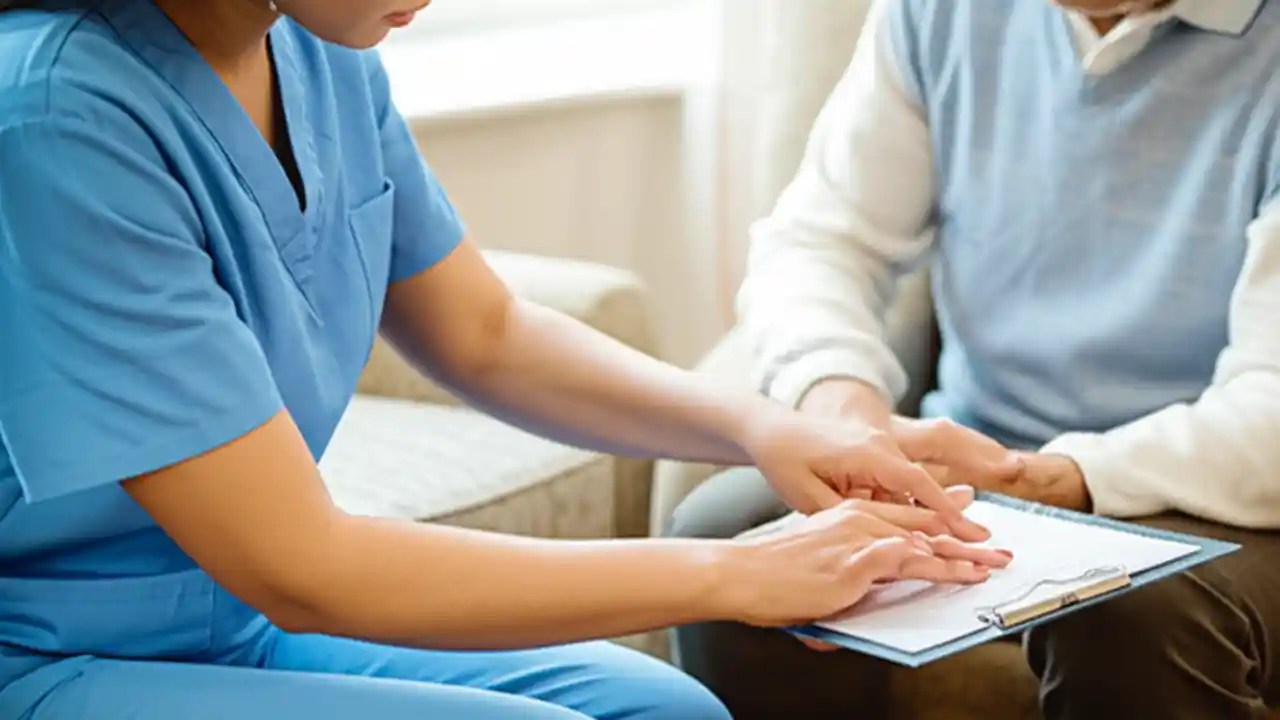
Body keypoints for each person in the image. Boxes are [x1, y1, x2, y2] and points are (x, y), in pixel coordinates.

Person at [0, 1, 1019, 718]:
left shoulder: (318, 47)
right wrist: (733, 573)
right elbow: (302, 568)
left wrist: (763, 427)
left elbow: (485, 333)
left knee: (666, 710)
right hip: (48, 653)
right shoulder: (56, 119)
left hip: (230, 623)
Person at [669, 0, 1280, 718]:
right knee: (731, 535)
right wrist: (848, 420)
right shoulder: (938, 13)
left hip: (1221, 496)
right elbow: (820, 242)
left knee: (1125, 611)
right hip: (978, 465)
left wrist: (1051, 478)